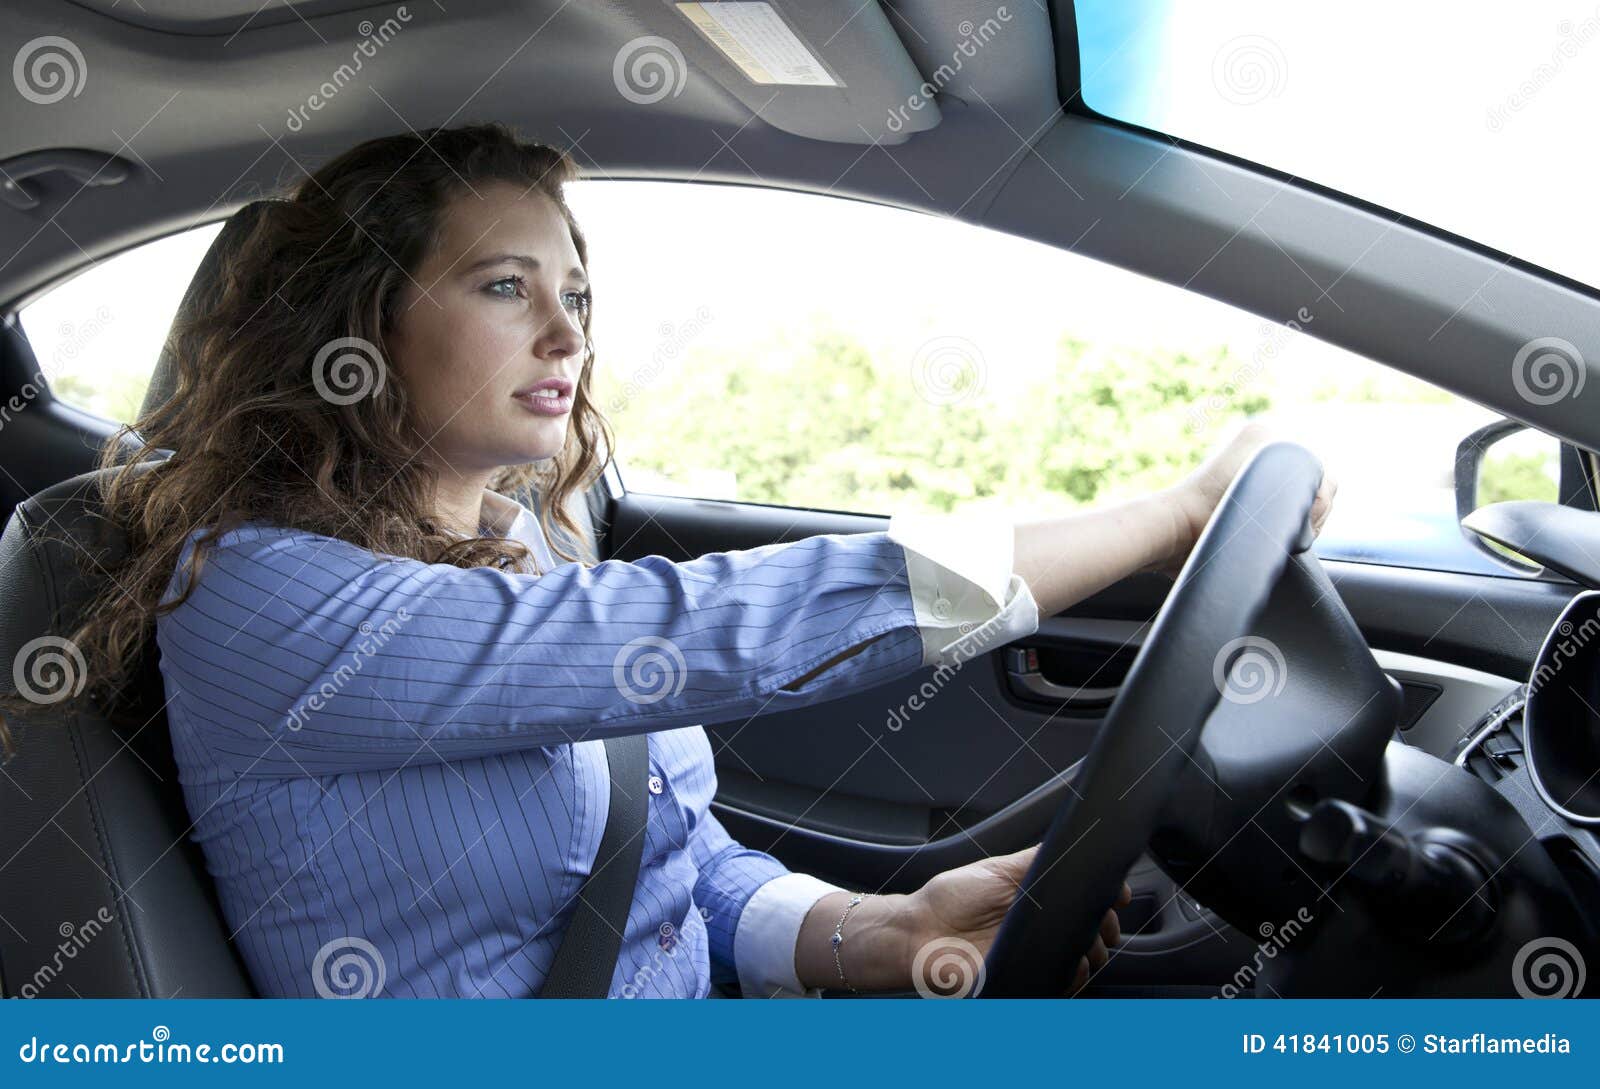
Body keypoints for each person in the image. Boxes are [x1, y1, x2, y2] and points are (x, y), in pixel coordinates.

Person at [54, 122, 1334, 999]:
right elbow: (738, 625)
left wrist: (881, 929)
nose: (565, 330)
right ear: (357, 326)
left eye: (578, 292)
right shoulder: (251, 595)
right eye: (506, 287)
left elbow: (679, 870)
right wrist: (1179, 513)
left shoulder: (532, 539)